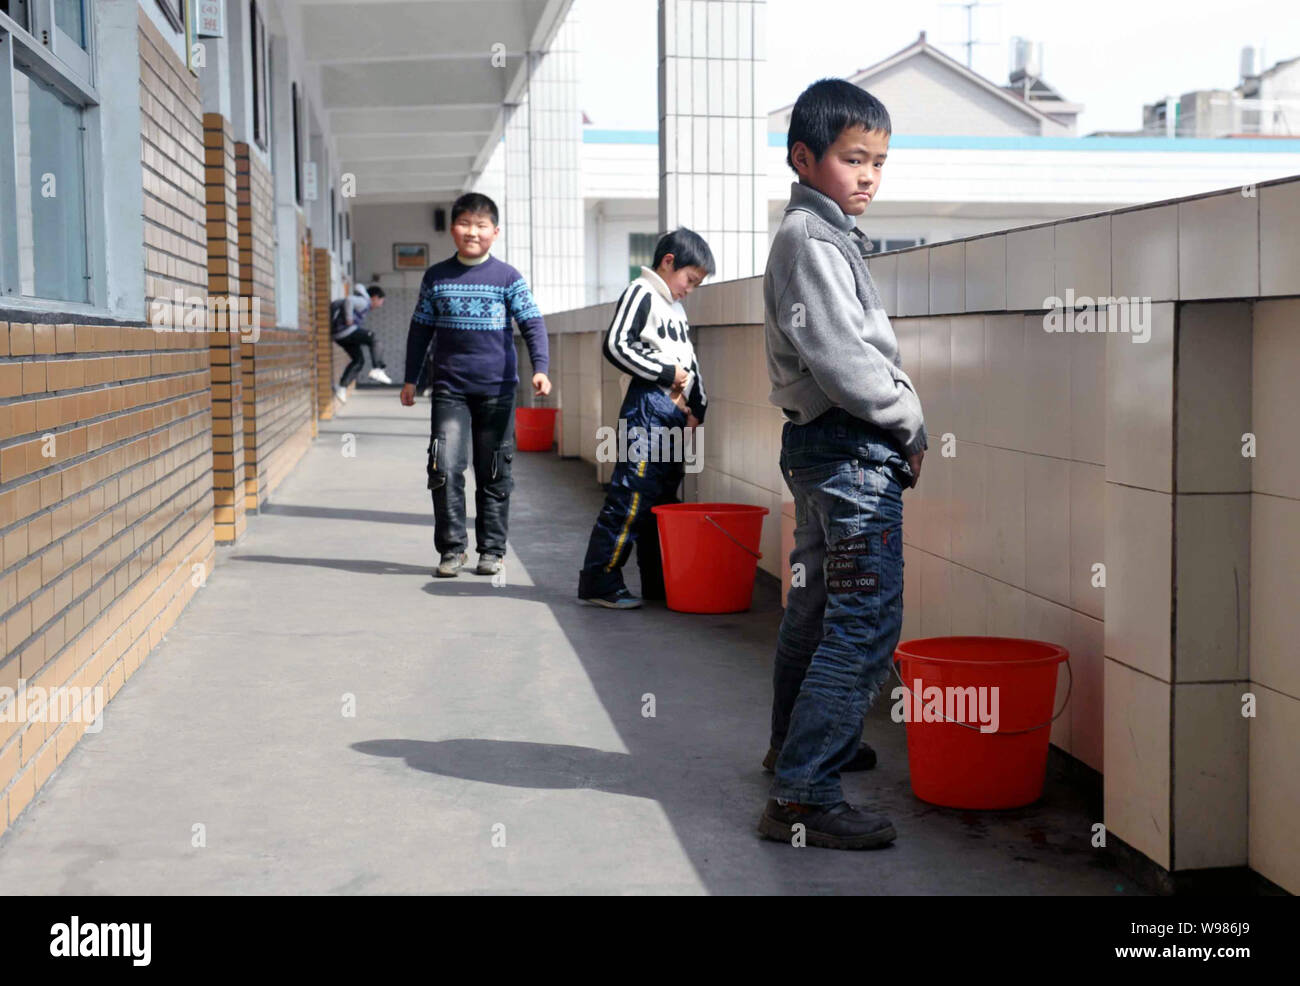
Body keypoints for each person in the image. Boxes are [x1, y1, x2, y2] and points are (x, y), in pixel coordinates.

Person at [757, 79, 927, 851]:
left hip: (823, 450)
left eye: (879, 163)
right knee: (862, 624)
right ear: (804, 157)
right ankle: (801, 796)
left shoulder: (815, 235)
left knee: (819, 608)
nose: (867, 175)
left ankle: (795, 750)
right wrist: (909, 421)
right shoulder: (813, 241)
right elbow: (843, 359)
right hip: (852, 451)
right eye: (852, 158)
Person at [399, 192, 550, 578]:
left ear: (495, 232)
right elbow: (420, 330)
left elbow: (532, 322)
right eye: (466, 224)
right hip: (450, 389)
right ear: (453, 229)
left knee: (495, 470)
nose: (473, 232)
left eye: (481, 226)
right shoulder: (436, 277)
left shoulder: (508, 278)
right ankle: (452, 550)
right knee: (445, 466)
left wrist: (541, 367)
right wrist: (410, 379)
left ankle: (492, 551)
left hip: (498, 389)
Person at [577, 229, 713, 609]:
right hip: (646, 407)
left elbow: (688, 358)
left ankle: (659, 581)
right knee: (632, 495)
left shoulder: (674, 306)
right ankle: (599, 580)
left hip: (673, 414)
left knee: (662, 500)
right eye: (690, 279)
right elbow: (616, 345)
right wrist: (665, 373)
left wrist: (698, 407)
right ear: (668, 262)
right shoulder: (642, 292)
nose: (689, 289)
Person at [331, 283, 393, 403]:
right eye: (381, 301)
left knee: (359, 361)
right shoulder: (364, 301)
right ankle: (377, 369)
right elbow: (349, 300)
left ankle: (342, 388)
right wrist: (349, 318)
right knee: (374, 339)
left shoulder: (364, 303)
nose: (381, 305)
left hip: (340, 335)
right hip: (346, 331)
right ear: (374, 297)